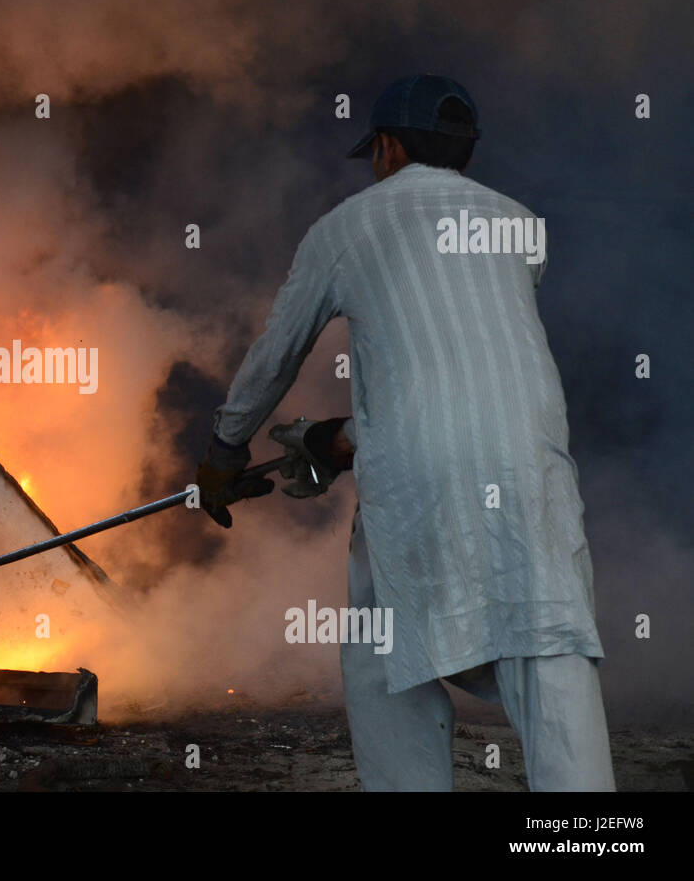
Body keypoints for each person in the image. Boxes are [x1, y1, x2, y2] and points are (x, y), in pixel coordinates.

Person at [196, 75, 615, 791]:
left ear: (387, 147)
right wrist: (337, 440)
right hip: (532, 470)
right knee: (548, 650)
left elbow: (276, 355)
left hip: (417, 483)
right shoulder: (520, 228)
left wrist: (227, 448)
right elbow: (464, 382)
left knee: (382, 648)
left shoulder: (345, 228)